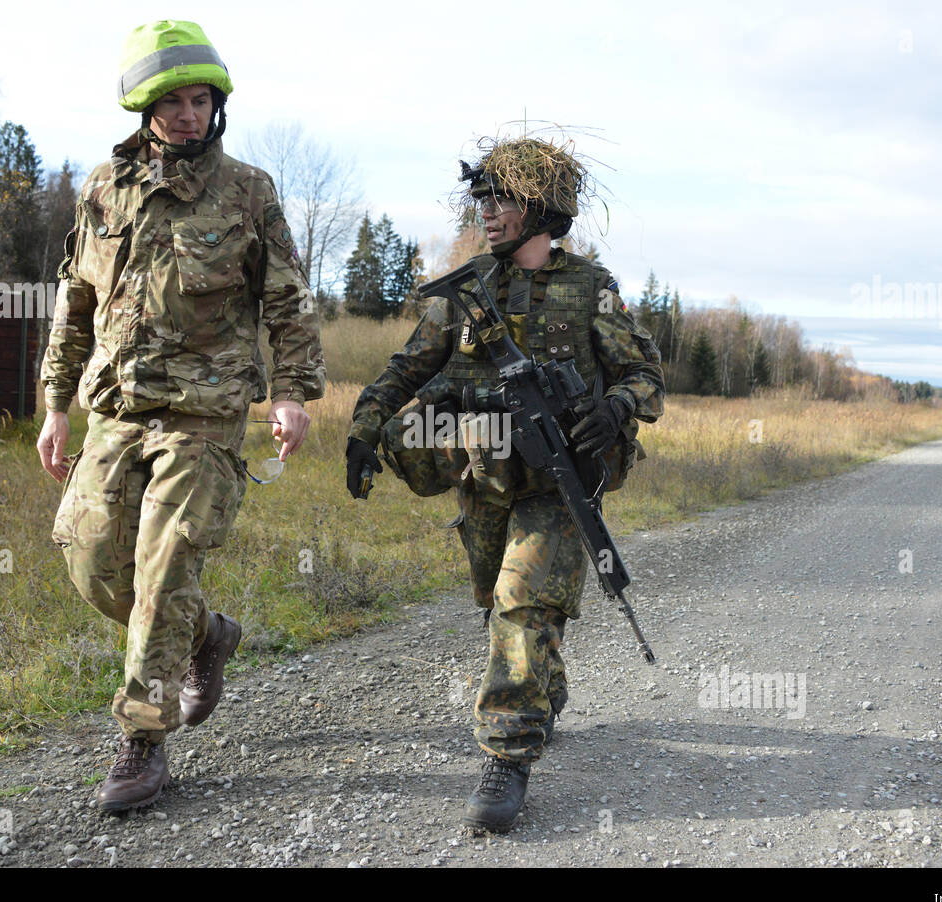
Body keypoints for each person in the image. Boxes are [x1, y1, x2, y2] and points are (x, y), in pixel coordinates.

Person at [36, 20, 324, 813]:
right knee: (93, 560)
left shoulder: (249, 192)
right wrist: (55, 404)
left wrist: (290, 392)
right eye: (174, 101)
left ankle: (142, 739)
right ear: (144, 107)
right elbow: (76, 302)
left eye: (202, 100)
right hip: (117, 411)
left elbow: (288, 301)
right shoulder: (102, 189)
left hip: (206, 414)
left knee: (164, 573)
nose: (190, 114)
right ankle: (206, 637)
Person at [345, 136, 663, 833]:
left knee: (522, 599)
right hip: (483, 477)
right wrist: (366, 426)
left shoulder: (590, 288)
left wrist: (615, 409)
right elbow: (409, 368)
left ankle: (507, 752)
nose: (487, 213)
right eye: (482, 198)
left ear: (545, 210)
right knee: (499, 605)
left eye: (504, 200)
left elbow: (646, 378)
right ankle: (543, 686)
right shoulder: (464, 292)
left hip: (557, 479)